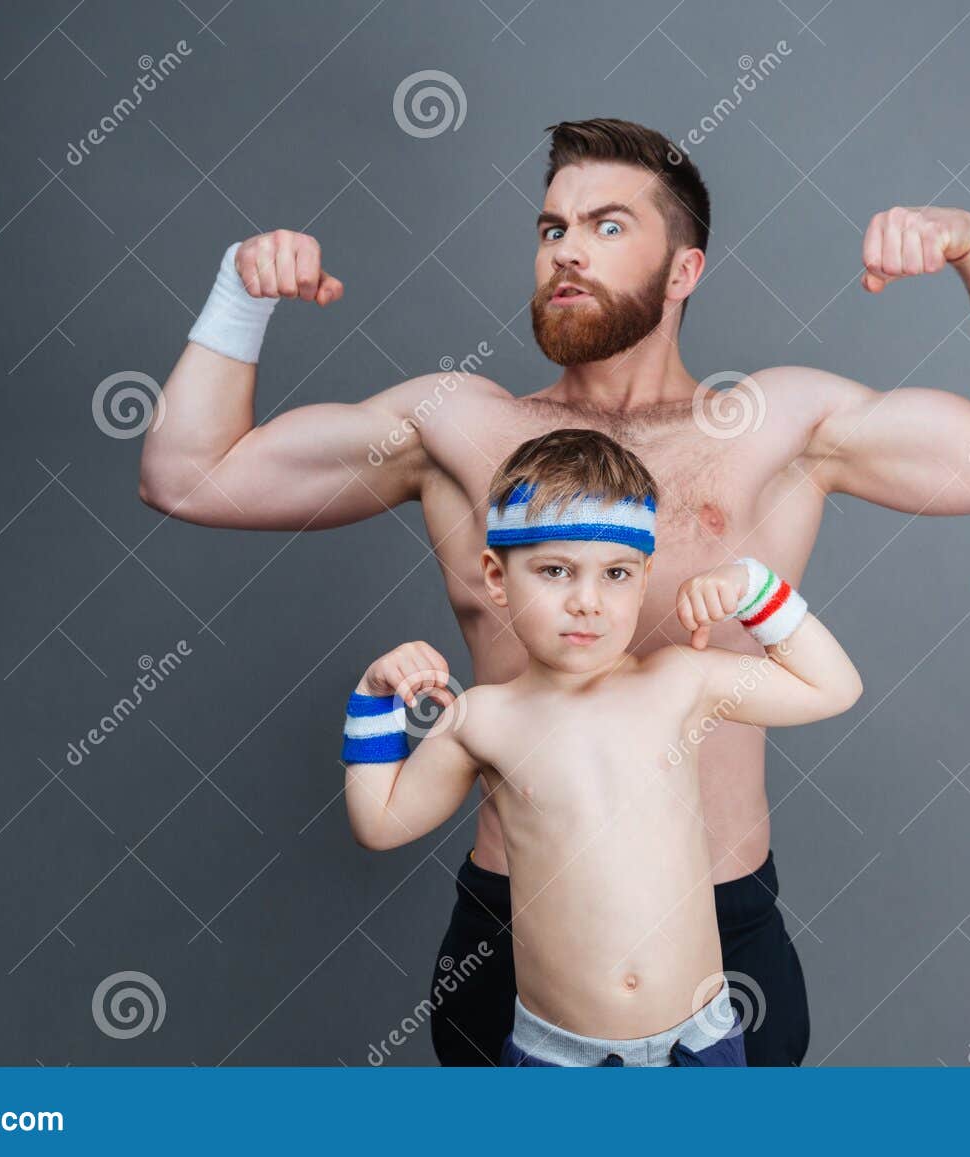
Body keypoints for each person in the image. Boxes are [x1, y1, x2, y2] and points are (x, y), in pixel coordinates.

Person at [137, 117, 970, 1064]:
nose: (568, 250)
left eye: (609, 226)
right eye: (552, 228)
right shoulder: (454, 425)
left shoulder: (776, 423)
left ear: (683, 270)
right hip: (512, 920)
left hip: (718, 924)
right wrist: (239, 295)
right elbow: (189, 476)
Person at [340, 430, 862, 1066]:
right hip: (560, 1059)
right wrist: (373, 697)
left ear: (643, 581)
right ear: (497, 577)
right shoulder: (484, 717)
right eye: (555, 570)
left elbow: (833, 688)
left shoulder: (679, 682)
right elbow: (380, 823)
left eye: (615, 574)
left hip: (698, 1044)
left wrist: (756, 591)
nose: (587, 601)